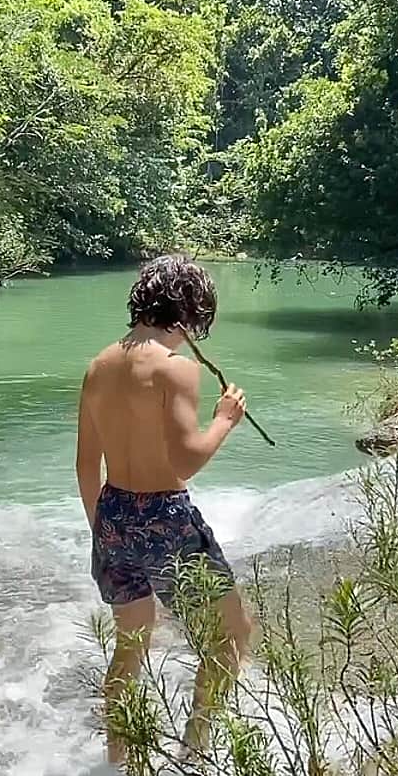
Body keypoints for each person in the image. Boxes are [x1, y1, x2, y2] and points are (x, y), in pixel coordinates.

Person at [76, 254, 253, 765]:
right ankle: (194, 753)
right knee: (231, 636)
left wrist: (104, 533)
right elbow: (186, 459)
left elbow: (87, 464)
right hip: (166, 518)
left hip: (112, 513)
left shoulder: (98, 365)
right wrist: (224, 419)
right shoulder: (178, 369)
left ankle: (118, 759)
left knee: (131, 643)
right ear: (190, 311)